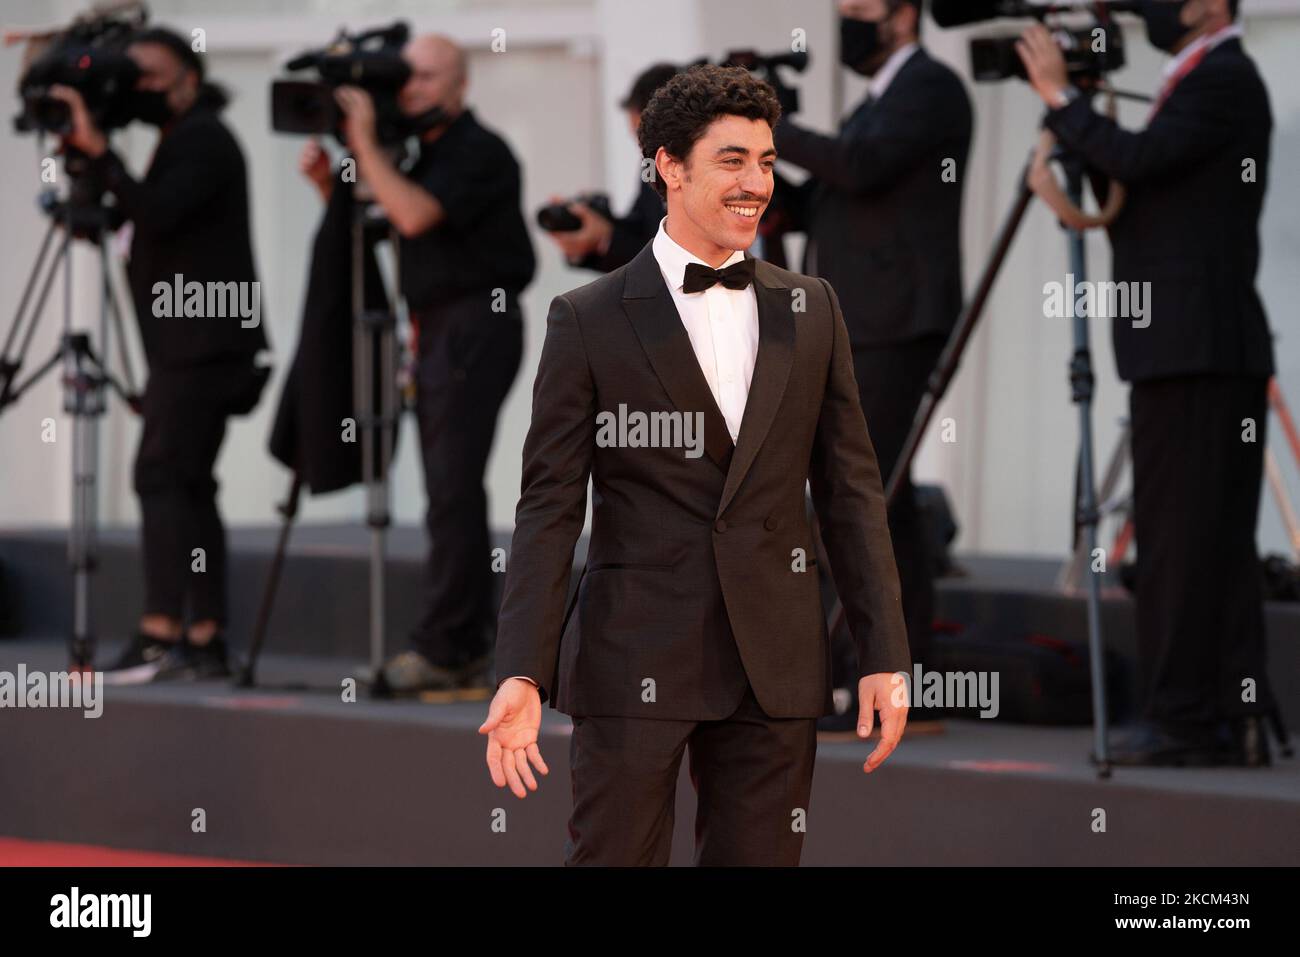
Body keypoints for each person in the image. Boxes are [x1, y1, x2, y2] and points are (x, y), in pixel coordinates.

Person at [480, 65, 911, 865]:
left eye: (768, 162)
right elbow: (549, 507)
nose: (756, 183)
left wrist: (884, 650)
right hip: (634, 652)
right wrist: (522, 672)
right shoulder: (588, 317)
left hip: (775, 661)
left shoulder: (811, 307)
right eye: (732, 160)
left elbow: (852, 492)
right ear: (670, 167)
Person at [1017, 0, 1276, 766]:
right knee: (1197, 540)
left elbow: (1143, 163)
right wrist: (1078, 122)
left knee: (1183, 543)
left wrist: (1062, 99)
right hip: (1189, 347)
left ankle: (1187, 720)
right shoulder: (1197, 78)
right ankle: (1225, 715)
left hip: (1197, 348)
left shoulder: (1223, 77)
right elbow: (1142, 187)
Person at [306, 35, 536, 694]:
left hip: (475, 325)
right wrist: (335, 184)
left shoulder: (477, 150)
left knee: (452, 488)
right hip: (435, 327)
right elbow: (381, 222)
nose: (410, 89)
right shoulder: (421, 152)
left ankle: (452, 644)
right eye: (404, 77)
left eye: (427, 77)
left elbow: (410, 214)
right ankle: (456, 640)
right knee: (446, 488)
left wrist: (366, 144)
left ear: (461, 84)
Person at [772, 0, 972, 728]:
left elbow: (860, 169)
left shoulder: (931, 88)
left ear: (904, 13)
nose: (846, 15)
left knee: (857, 493)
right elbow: (834, 196)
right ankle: (901, 682)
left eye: (860, 3)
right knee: (885, 496)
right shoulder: (874, 102)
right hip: (857, 320)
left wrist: (767, 125)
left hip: (897, 322)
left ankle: (876, 679)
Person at [52, 27, 269, 683]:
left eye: (150, 74)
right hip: (192, 343)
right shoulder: (182, 140)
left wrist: (103, 157)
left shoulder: (204, 138)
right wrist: (94, 170)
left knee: (161, 474)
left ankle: (160, 632)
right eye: (132, 75)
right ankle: (202, 637)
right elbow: (145, 224)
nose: (139, 86)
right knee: (188, 482)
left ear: (190, 79)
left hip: (203, 345)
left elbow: (160, 214)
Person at [543, 62, 675, 273]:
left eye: (647, 139)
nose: (643, 149)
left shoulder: (697, 173)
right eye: (638, 139)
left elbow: (668, 255)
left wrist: (606, 236)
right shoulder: (649, 164)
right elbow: (642, 228)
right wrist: (594, 224)